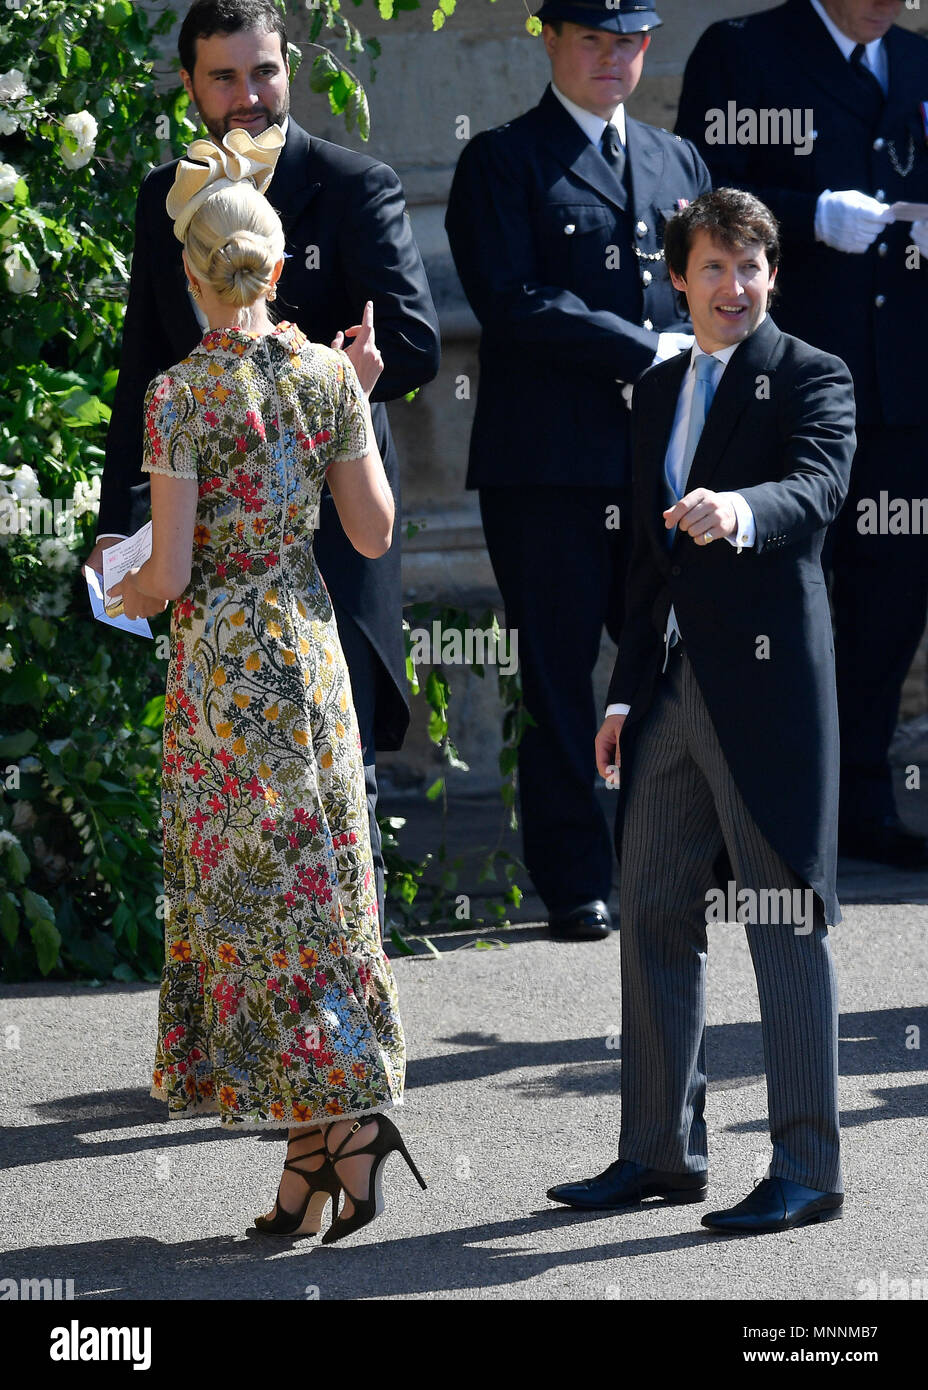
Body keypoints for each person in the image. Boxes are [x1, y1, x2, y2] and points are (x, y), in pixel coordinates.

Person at [108, 129, 427, 1245]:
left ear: (191, 276)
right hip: (306, 648)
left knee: (253, 905)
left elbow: (171, 572)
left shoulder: (177, 396)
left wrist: (121, 586)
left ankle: (342, 1125)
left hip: (224, 673)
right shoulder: (331, 374)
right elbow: (373, 530)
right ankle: (317, 1155)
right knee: (318, 895)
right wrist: (363, 396)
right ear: (278, 267)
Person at [88, 0, 441, 937]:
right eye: (225, 77)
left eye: (265, 72)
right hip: (205, 551)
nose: (249, 97)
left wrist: (322, 384)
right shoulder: (166, 195)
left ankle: (338, 1026)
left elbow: (413, 343)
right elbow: (141, 372)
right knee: (230, 813)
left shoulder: (354, 181)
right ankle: (249, 1031)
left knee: (332, 793)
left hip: (336, 531)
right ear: (191, 85)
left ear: (289, 69)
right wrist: (114, 524)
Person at [546, 188, 855, 1233]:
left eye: (751, 266)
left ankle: (807, 1167)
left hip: (766, 694)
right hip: (670, 692)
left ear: (773, 273)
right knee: (651, 912)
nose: (734, 287)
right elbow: (645, 561)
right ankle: (658, 1153)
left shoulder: (814, 374)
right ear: (677, 278)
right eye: (713, 268)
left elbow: (814, 488)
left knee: (781, 917)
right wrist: (624, 691)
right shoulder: (659, 383)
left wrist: (740, 511)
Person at [445, 0, 711, 942]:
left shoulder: (681, 163)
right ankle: (573, 878)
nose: (612, 58)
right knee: (559, 674)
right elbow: (512, 300)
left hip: (659, 466)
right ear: (549, 39)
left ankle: (666, 853)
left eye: (629, 41)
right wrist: (644, 347)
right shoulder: (502, 160)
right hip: (549, 465)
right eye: (592, 39)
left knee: (669, 663)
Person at [675, 0, 928, 868]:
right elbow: (696, 196)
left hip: (899, 391)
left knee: (888, 603)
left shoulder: (915, 58)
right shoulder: (746, 52)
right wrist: (808, 213)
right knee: (762, 603)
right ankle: (731, 820)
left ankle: (858, 803)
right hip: (781, 384)